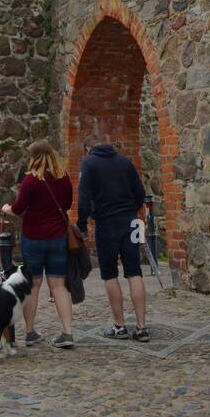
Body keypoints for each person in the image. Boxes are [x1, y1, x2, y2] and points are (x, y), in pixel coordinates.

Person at [1, 139, 74, 349]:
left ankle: (30, 332)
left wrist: (7, 209)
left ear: (35, 157)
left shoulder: (31, 181)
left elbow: (18, 208)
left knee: (33, 285)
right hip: (58, 238)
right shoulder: (64, 178)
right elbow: (67, 204)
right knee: (59, 286)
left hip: (33, 239)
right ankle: (68, 333)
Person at [77, 134, 149, 341]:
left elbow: (83, 198)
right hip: (130, 220)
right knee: (134, 272)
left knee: (109, 274)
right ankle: (142, 327)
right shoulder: (125, 161)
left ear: (88, 149)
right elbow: (139, 192)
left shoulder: (88, 164)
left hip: (106, 223)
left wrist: (82, 224)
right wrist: (130, 210)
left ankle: (119, 326)